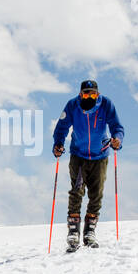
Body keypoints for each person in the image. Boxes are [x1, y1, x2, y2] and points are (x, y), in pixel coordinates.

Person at [52, 79, 124, 250]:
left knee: (96, 194)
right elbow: (62, 127)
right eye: (86, 93)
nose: (89, 96)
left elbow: (117, 127)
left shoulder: (106, 104)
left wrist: (117, 140)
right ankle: (73, 231)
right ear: (80, 94)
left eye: (92, 94)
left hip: (100, 155)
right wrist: (58, 144)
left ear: (97, 94)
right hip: (79, 154)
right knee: (76, 191)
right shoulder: (72, 105)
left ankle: (89, 231)